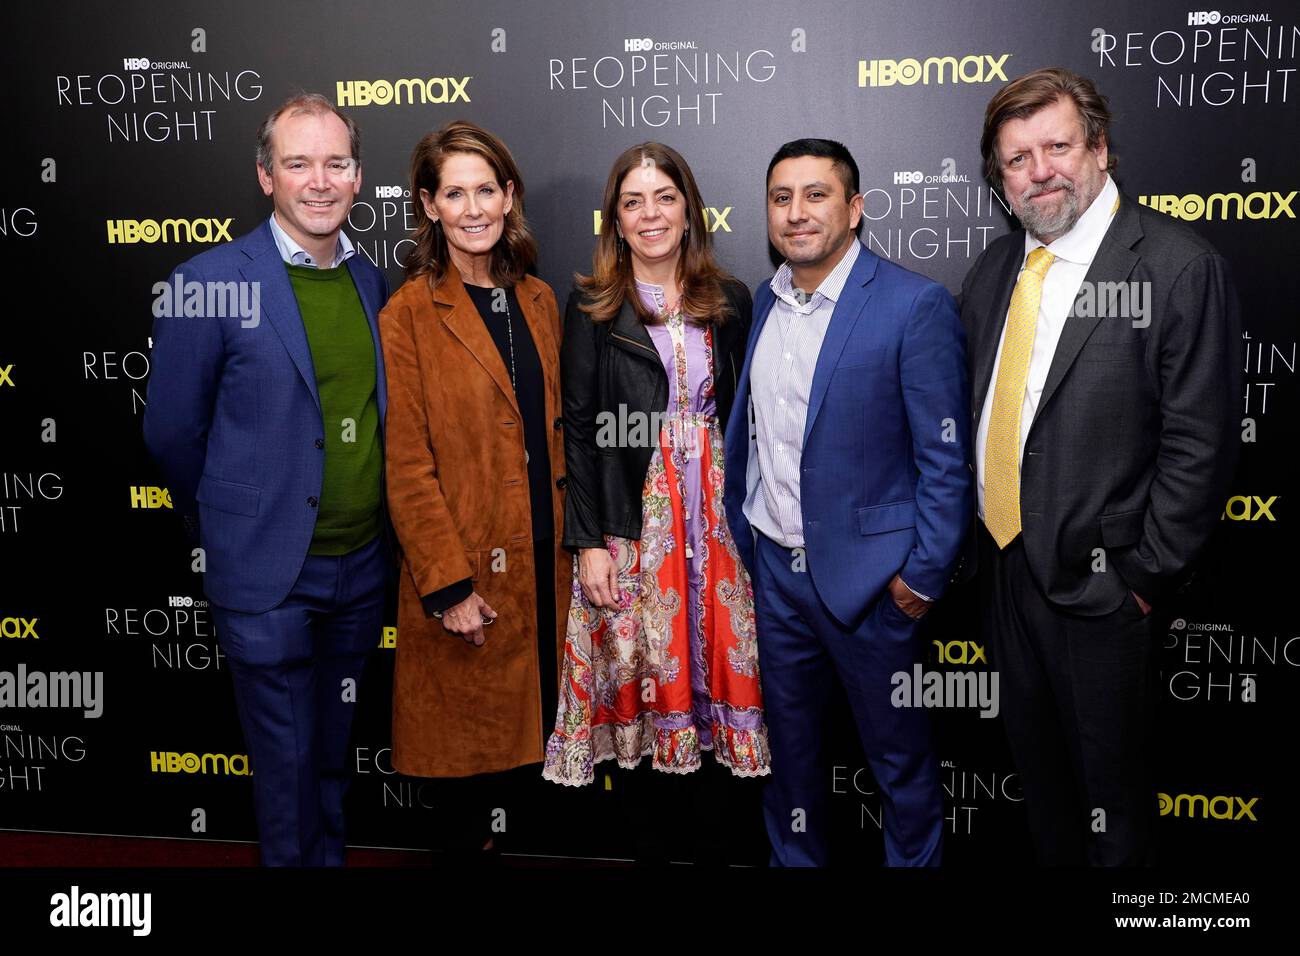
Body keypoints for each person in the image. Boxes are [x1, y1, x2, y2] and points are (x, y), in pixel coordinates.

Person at [960, 67, 1241, 865]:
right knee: (1043, 797)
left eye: (1056, 146)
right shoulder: (994, 270)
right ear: (999, 177)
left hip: (1104, 591)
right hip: (1006, 574)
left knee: (1113, 815)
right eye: (1016, 159)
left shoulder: (1176, 266)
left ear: (1101, 150)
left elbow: (1200, 443)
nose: (1039, 169)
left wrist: (1143, 581)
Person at [143, 93, 390, 866]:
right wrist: (231, 522)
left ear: (357, 178)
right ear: (265, 176)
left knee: (330, 758)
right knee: (283, 772)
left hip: (362, 570)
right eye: (298, 163)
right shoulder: (207, 279)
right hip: (266, 575)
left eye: (336, 163)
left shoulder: (373, 283)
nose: (319, 181)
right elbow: (172, 432)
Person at [723, 138, 971, 867]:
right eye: (781, 198)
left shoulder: (913, 304)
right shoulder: (762, 302)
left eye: (816, 195)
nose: (797, 214)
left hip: (874, 589)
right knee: (789, 762)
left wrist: (920, 577)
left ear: (855, 208)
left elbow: (944, 459)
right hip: (775, 578)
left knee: (901, 765)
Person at [545, 142, 770, 811]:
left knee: (719, 687)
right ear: (615, 219)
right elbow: (578, 431)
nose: (650, 215)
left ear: (688, 208)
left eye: (664, 198)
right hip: (631, 527)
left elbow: (746, 416)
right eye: (633, 201)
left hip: (720, 524)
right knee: (645, 695)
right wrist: (588, 542)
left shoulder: (729, 298)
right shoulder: (591, 305)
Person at [380, 120, 567, 855]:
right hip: (469, 583)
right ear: (428, 205)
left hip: (547, 581)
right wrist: (449, 587)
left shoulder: (542, 301)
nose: (473, 207)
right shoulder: (408, 316)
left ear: (510, 195)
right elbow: (406, 465)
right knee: (468, 789)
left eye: (485, 189)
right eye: (453, 193)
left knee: (534, 783)